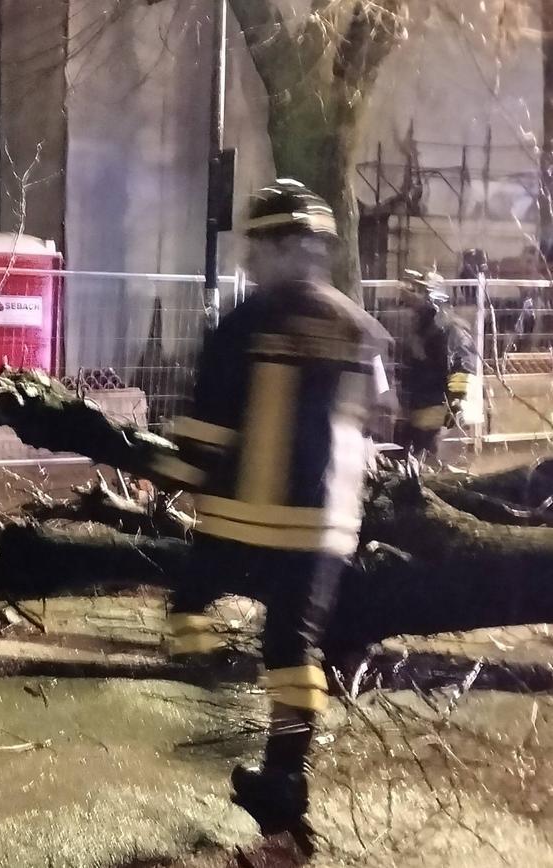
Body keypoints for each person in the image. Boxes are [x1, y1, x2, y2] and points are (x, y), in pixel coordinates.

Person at [149, 180, 390, 853]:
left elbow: (207, 428)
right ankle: (283, 784)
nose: (249, 260)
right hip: (324, 528)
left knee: (188, 598)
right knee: (291, 652)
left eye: (256, 245)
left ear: (284, 246)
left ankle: (197, 658)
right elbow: (375, 417)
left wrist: (170, 478)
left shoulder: (238, 325)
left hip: (238, 517)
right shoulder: (359, 328)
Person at [397, 268, 477, 459]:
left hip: (437, 409)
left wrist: (456, 400)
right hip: (418, 406)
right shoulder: (423, 328)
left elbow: (461, 366)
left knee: (428, 459)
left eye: (421, 293)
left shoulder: (451, 330)